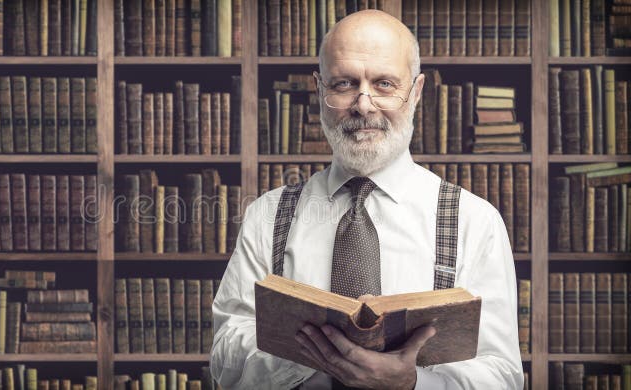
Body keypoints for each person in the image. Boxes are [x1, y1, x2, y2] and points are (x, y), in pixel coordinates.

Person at [209, 9, 523, 390]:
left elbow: (503, 376)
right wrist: (310, 355)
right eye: (344, 84)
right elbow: (224, 359)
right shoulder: (268, 216)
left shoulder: (475, 222)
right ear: (319, 90)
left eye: (384, 84)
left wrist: (412, 383)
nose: (363, 104)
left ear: (416, 92)